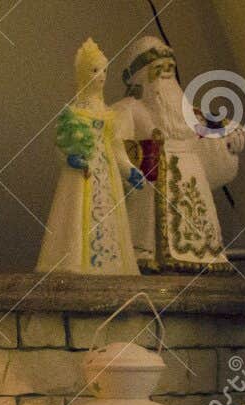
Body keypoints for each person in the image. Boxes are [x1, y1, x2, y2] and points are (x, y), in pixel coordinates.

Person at [112, 36, 245, 272]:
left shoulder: (187, 115)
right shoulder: (128, 109)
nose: (165, 74)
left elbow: (216, 129)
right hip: (147, 200)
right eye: (158, 69)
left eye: (169, 69)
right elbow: (112, 144)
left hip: (192, 198)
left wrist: (232, 135)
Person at [36, 39, 143, 276]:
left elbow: (116, 147)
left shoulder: (109, 113)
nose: (102, 76)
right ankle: (76, 262)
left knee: (108, 215)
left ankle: (110, 264)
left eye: (104, 70)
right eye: (95, 70)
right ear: (84, 74)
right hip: (81, 176)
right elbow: (62, 144)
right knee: (77, 218)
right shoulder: (73, 112)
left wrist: (128, 170)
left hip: (107, 176)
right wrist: (68, 158)